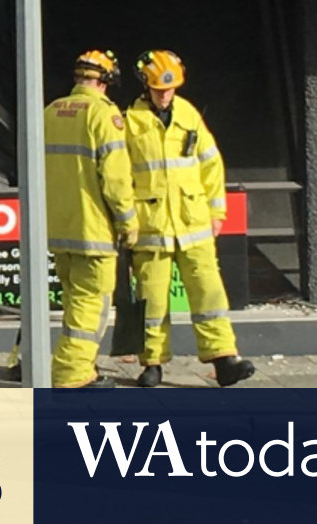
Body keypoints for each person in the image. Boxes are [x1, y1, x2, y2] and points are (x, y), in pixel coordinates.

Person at [125, 50, 254, 387]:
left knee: (209, 293)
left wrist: (217, 212)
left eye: (169, 89)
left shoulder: (188, 114)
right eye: (158, 89)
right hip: (152, 226)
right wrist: (127, 221)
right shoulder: (130, 121)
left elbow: (211, 164)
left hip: (193, 223)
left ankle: (224, 358)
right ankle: (152, 363)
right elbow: (121, 176)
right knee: (151, 300)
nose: (165, 95)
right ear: (145, 86)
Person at [43, 50, 139, 388]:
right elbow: (114, 180)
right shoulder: (104, 115)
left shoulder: (50, 111)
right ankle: (73, 375)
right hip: (93, 229)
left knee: (73, 301)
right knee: (90, 306)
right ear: (106, 81)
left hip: (57, 227)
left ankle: (77, 366)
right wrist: (128, 223)